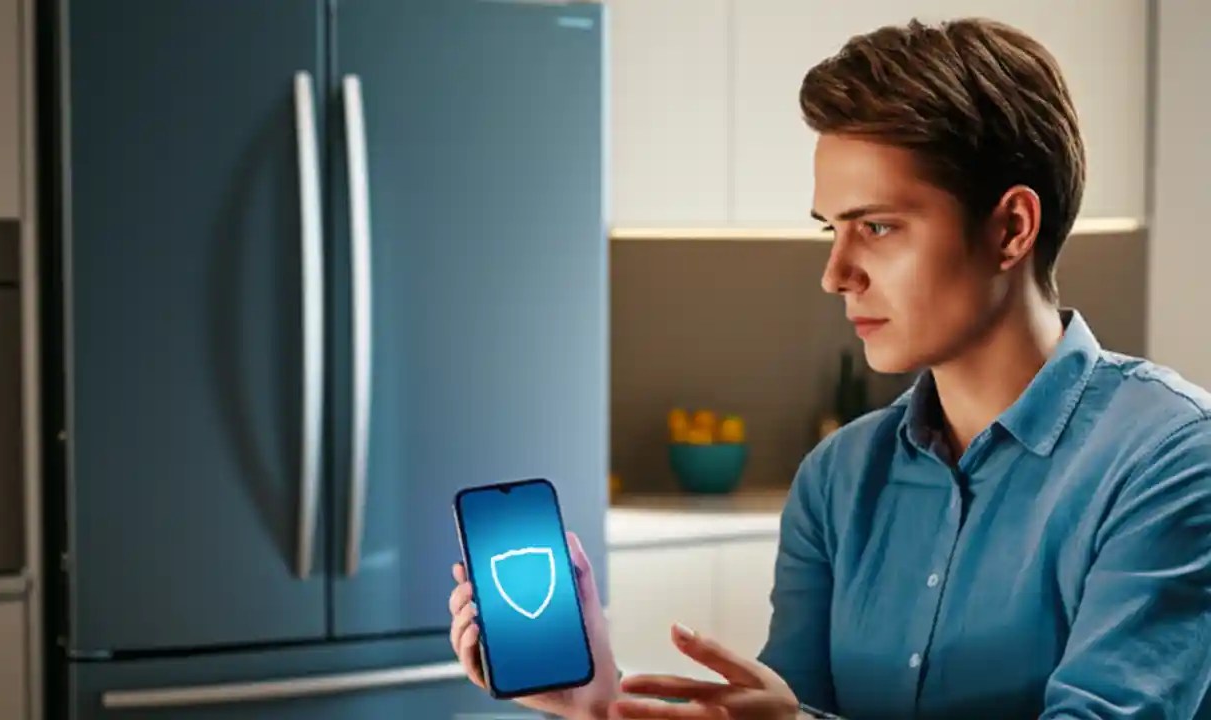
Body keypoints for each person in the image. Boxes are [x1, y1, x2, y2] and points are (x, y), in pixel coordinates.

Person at [448, 16, 1211, 720]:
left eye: (876, 227)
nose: (836, 273)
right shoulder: (838, 479)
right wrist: (602, 702)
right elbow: (791, 708)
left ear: (1011, 228)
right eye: (831, 230)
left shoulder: (1172, 461)